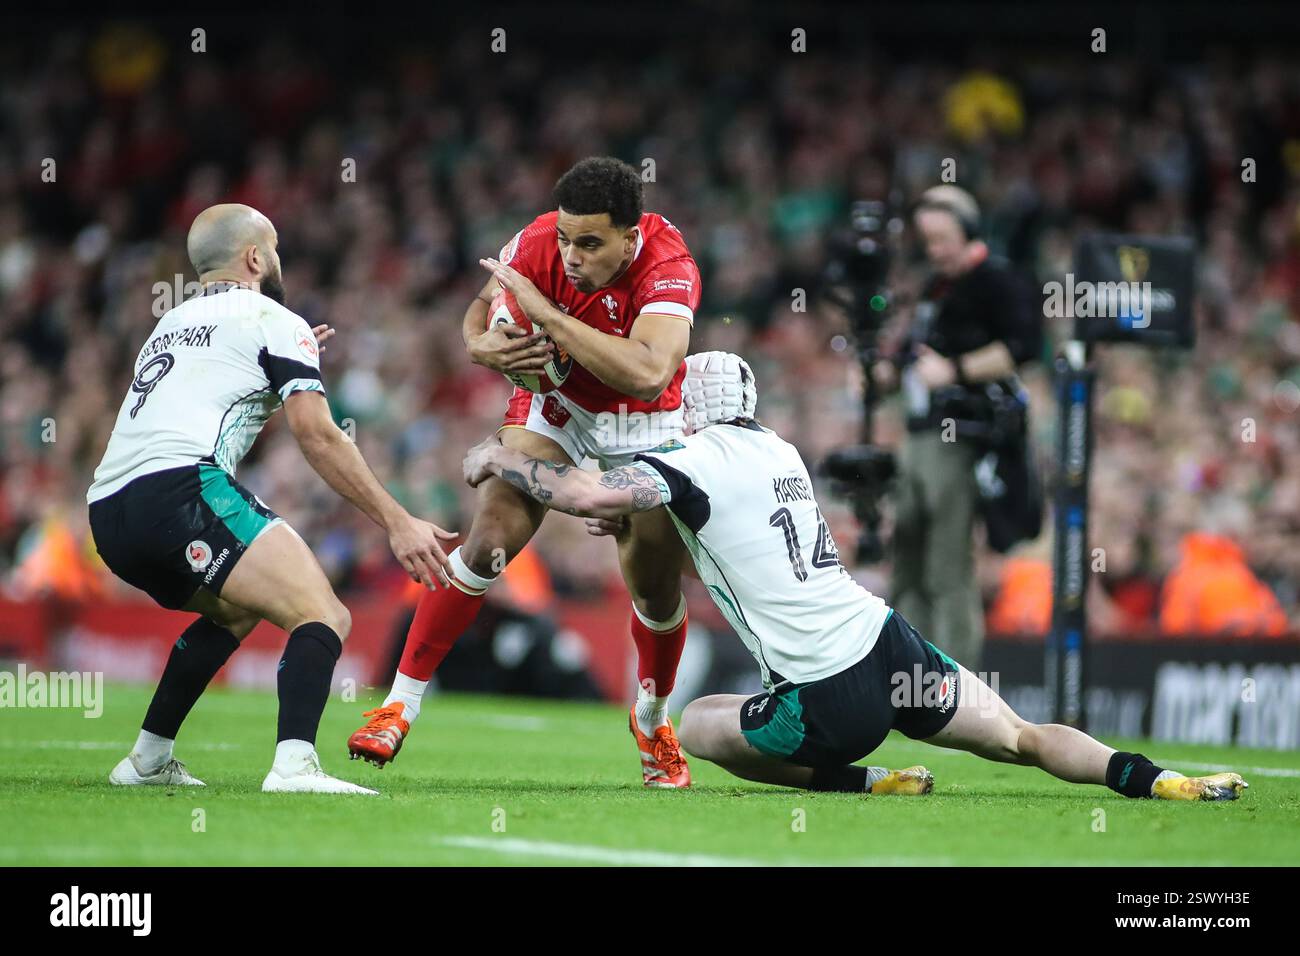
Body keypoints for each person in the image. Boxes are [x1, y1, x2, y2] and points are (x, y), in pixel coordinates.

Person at [459, 351, 1248, 802]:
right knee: (1018, 738)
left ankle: (866, 783)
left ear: (686, 405)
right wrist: (631, 510)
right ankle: (1160, 781)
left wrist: (502, 457)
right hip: (886, 644)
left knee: (697, 723)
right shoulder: (778, 450)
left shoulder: (690, 457)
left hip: (826, 695)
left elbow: (592, 489)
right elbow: (697, 515)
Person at [349, 157, 700, 788]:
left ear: (631, 236)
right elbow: (481, 309)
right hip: (556, 403)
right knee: (487, 543)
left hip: (642, 422)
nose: (570, 254)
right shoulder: (541, 239)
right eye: (565, 238)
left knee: (654, 586)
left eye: (589, 243)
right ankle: (398, 704)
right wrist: (478, 343)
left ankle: (651, 720)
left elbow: (649, 372)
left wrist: (551, 314)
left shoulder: (671, 265)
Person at [88, 203, 456, 795]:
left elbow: (207, 397)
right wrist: (397, 520)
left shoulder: (171, 322)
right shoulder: (273, 318)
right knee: (323, 614)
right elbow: (317, 435)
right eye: (275, 248)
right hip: (181, 491)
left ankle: (147, 760)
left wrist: (285, 359)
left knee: (233, 611)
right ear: (256, 257)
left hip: (109, 511)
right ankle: (293, 767)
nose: (278, 259)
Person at [875, 185, 1041, 669]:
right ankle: (905, 680)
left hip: (960, 437)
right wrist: (884, 372)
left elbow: (1023, 347)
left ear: (969, 232)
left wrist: (957, 370)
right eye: (928, 240)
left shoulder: (997, 279)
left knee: (947, 567)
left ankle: (954, 689)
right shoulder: (935, 286)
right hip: (920, 432)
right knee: (906, 559)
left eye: (942, 238)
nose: (933, 249)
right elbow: (913, 356)